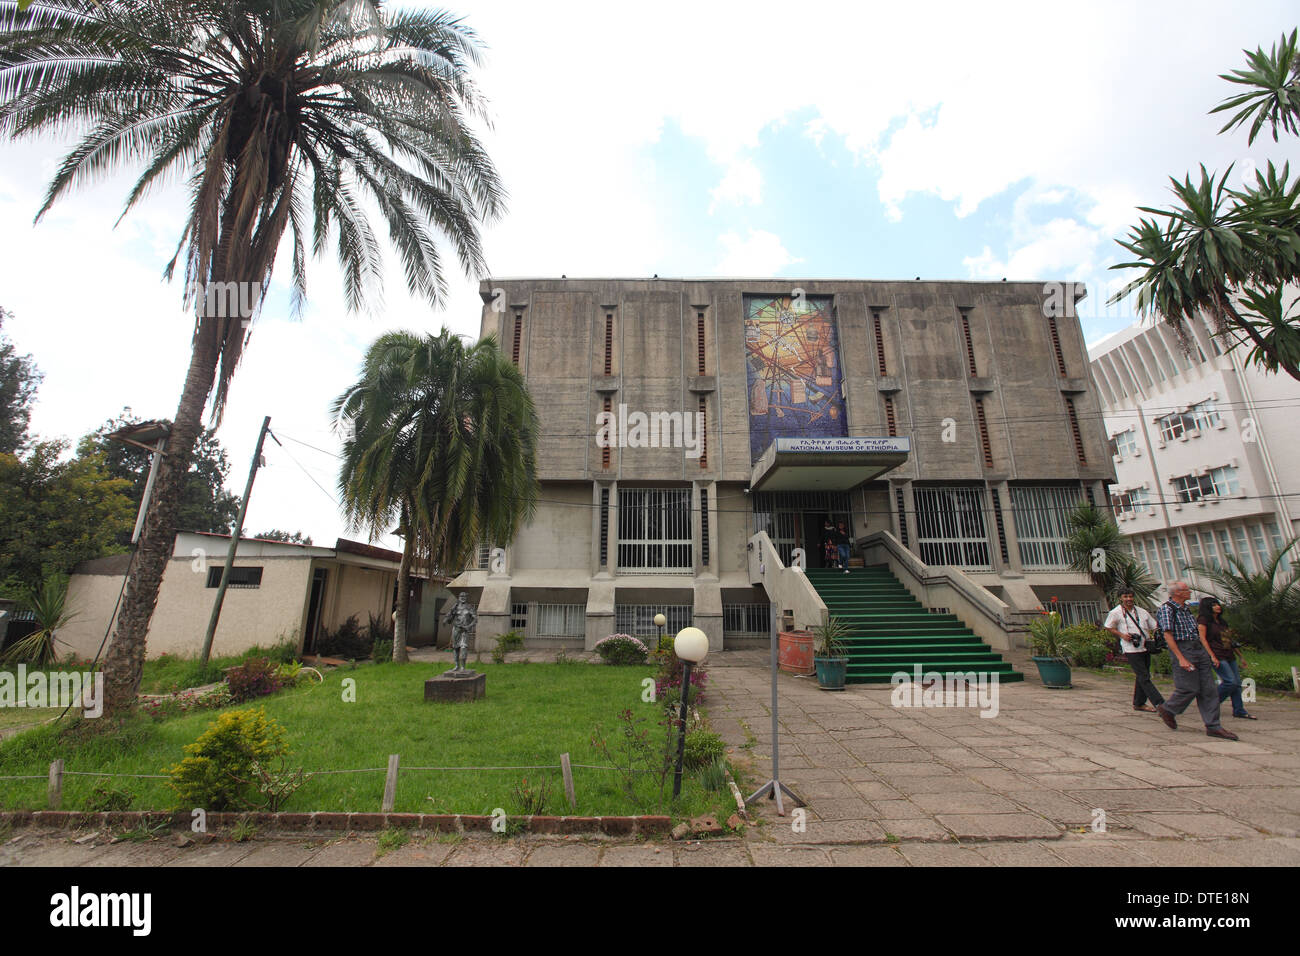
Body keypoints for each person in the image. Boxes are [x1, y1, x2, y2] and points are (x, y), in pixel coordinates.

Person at [1155, 581, 1238, 740]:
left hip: (1197, 649)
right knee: (1188, 687)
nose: (1190, 592)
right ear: (1177, 592)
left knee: (1209, 689)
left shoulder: (1186, 608)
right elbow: (1167, 635)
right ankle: (1168, 709)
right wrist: (1180, 658)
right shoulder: (1167, 609)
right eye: (1186, 590)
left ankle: (1213, 726)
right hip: (1183, 649)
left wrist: (1208, 653)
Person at [1103, 588, 1164, 713]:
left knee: (1142, 675)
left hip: (1144, 646)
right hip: (1130, 648)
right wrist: (1122, 635)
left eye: (1130, 596)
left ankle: (1139, 703)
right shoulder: (1116, 612)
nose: (1129, 599)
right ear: (1121, 598)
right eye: (1125, 597)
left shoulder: (1142, 612)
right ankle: (1160, 703)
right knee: (1144, 676)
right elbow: (1108, 626)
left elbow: (1154, 626)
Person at [1199, 595, 1256, 720]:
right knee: (1230, 681)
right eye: (1214, 605)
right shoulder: (1204, 620)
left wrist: (1240, 656)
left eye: (1218, 604)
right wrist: (1211, 656)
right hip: (1217, 655)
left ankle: (1239, 710)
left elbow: (1229, 640)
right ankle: (1211, 703)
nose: (1218, 607)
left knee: (1236, 684)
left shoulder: (1222, 622)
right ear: (1208, 607)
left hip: (1228, 654)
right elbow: (1202, 639)